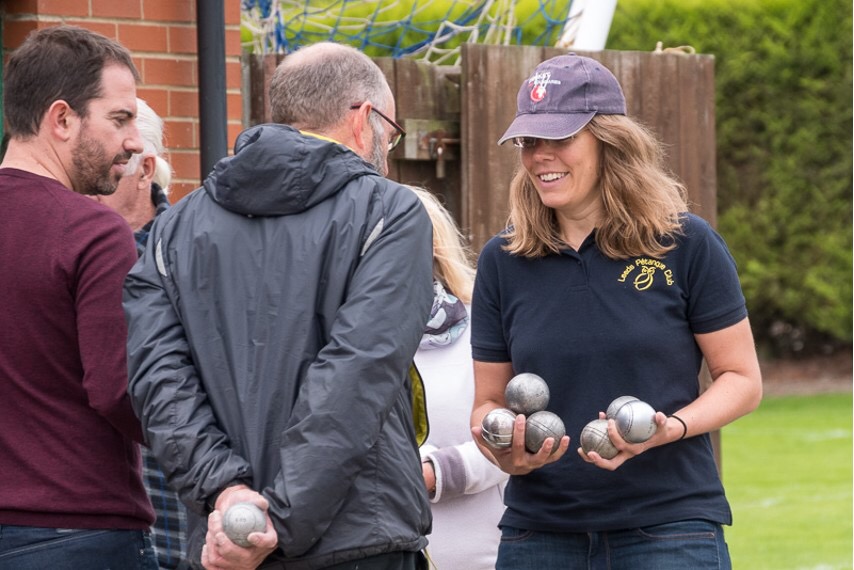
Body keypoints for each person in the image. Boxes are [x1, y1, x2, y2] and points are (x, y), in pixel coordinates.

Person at [123, 41, 434, 570]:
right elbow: (358, 376)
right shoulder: (391, 212)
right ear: (364, 120)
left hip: (225, 541)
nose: (388, 148)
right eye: (392, 131)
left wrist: (229, 499)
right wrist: (278, 522)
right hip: (355, 541)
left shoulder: (170, 230)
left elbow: (159, 384)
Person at [469, 53, 763, 569]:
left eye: (559, 139)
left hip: (670, 529)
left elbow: (741, 378)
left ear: (611, 142)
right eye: (528, 142)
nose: (540, 157)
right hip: (540, 532)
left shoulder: (686, 243)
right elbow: (489, 400)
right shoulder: (503, 260)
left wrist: (671, 426)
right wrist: (501, 447)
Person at [0, 25, 157, 568]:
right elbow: (122, 390)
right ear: (62, 119)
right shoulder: (92, 231)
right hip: (79, 527)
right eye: (120, 119)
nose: (135, 141)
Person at [94, 98, 189, 570]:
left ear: (145, 168)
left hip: (181, 521)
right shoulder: (66, 248)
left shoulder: (195, 252)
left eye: (109, 164)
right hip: (91, 524)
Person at [409, 187, 509, 570]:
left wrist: (434, 474)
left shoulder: (482, 326)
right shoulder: (338, 341)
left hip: (482, 555)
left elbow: (517, 435)